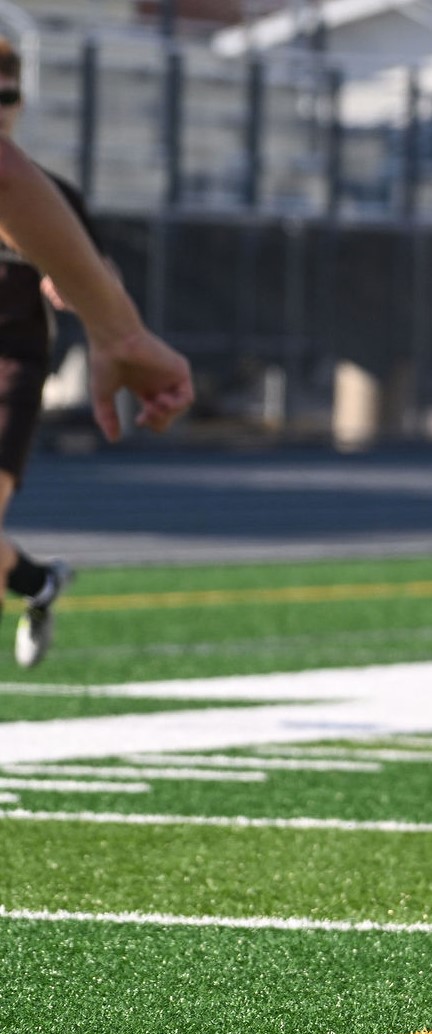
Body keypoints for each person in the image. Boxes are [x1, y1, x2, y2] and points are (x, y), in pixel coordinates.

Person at [0, 39, 187, 668]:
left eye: (7, 97)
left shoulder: (47, 193)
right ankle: (38, 582)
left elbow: (98, 274)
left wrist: (114, 325)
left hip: (10, 363)